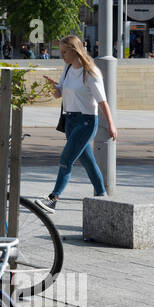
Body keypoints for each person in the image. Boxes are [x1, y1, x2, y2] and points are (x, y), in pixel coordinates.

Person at [39, 33, 116, 211]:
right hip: (70, 120)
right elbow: (60, 94)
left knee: (66, 158)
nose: (62, 55)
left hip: (86, 121)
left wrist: (111, 125)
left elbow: (102, 101)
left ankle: (53, 198)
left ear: (75, 51)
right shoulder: (66, 69)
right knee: (88, 161)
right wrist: (55, 88)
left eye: (65, 52)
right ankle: (101, 194)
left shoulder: (90, 72)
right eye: (61, 51)